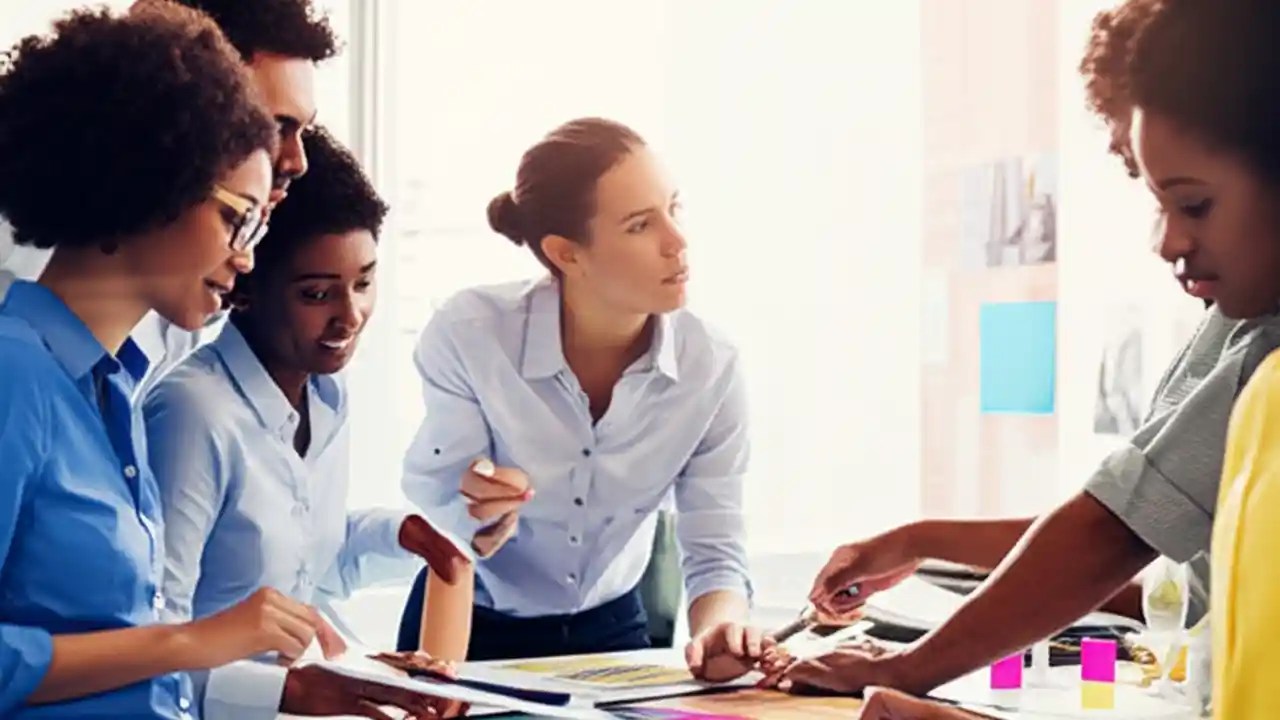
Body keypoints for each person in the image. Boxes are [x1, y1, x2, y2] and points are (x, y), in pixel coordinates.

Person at [773, 0, 1280, 699]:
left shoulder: (1264, 357)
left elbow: (1110, 535)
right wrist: (924, 541)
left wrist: (907, 671)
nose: (1166, 242)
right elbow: (1141, 534)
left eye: (1192, 205)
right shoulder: (1238, 323)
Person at [0, 6, 344, 718]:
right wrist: (190, 641)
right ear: (146, 183)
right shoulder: (14, 377)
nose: (246, 258)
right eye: (236, 218)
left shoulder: (113, 391)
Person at [396, 117, 768, 678]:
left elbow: (716, 550)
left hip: (611, 631)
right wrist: (478, 509)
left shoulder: (710, 367)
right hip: (467, 621)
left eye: (674, 208)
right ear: (567, 254)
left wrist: (721, 627)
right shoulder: (471, 333)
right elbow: (440, 500)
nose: (678, 241)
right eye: (641, 225)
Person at [144, 126, 474, 720]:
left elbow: (301, 563)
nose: (351, 316)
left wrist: (399, 534)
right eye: (318, 294)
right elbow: (148, 639)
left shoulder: (325, 395)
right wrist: (283, 692)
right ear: (245, 287)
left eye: (364, 283)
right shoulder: (193, 413)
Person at [129, 0, 341, 395]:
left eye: (303, 131)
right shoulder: (22, 287)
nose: (298, 162)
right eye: (272, 128)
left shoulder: (196, 293)